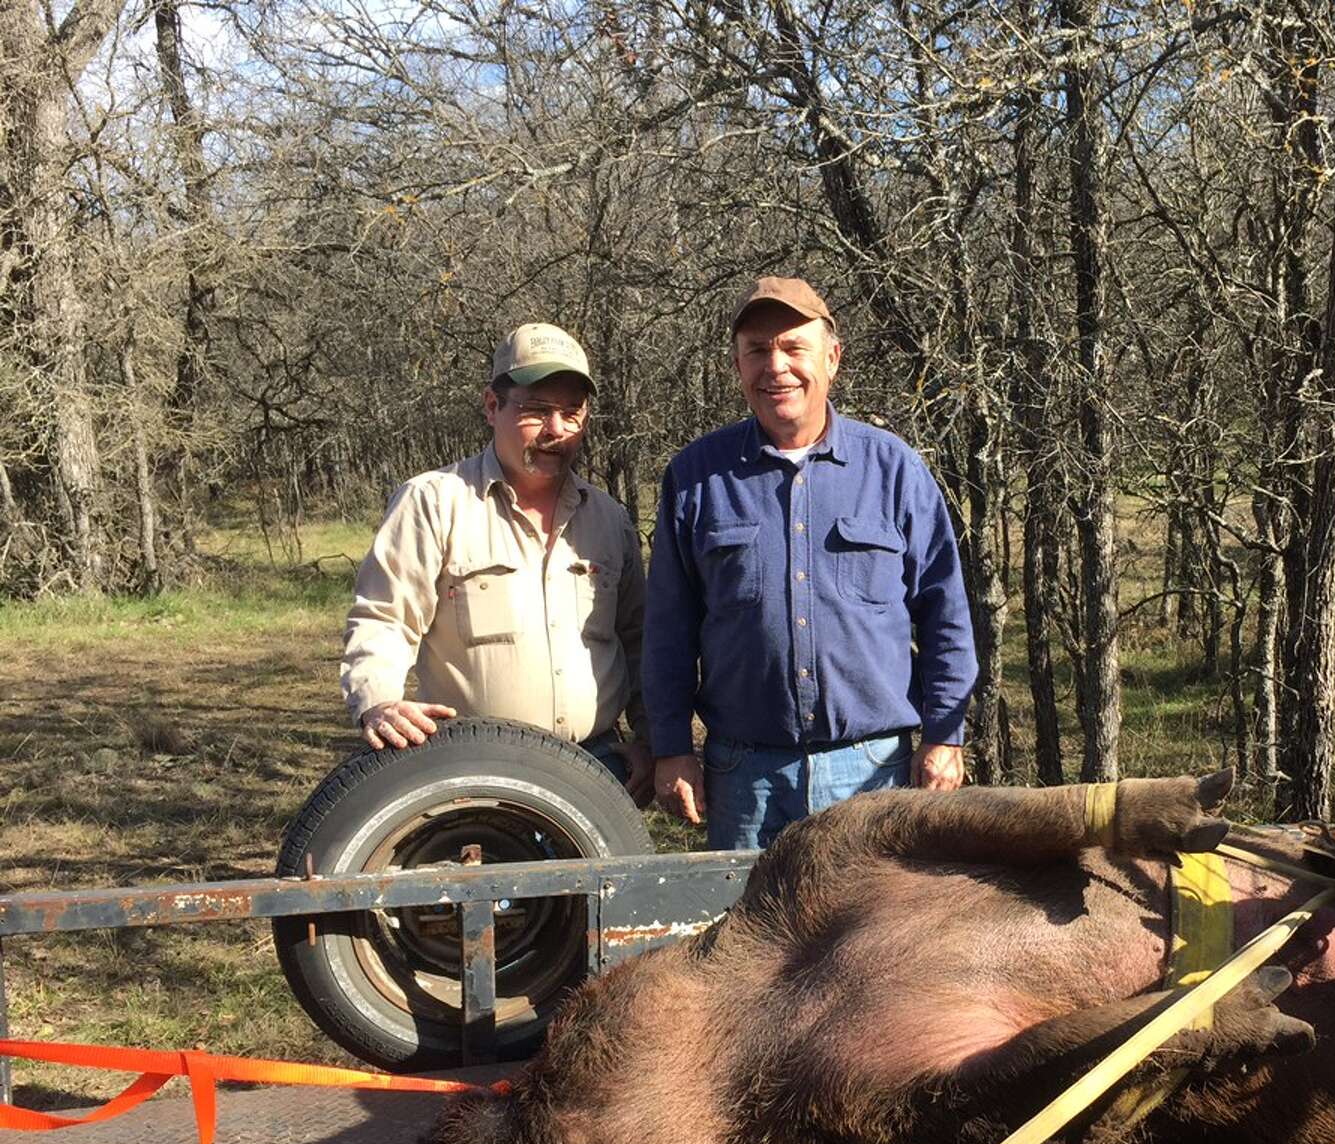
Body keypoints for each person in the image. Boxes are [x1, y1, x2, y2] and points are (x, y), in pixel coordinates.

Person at [644, 276, 977, 849]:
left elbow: (945, 611)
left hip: (872, 771)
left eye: (793, 347)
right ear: (737, 365)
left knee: (871, 937)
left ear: (832, 357)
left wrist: (945, 735)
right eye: (757, 350)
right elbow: (669, 630)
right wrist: (672, 746)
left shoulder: (893, 470)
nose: (776, 366)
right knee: (744, 934)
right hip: (745, 777)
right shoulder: (697, 477)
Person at [340, 322, 652, 797]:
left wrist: (653, 740)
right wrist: (379, 701)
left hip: (596, 770)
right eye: (538, 411)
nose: (557, 429)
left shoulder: (609, 519)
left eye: (572, 413)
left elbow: (639, 644)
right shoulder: (434, 502)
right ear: (492, 406)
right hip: (471, 775)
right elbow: (384, 618)